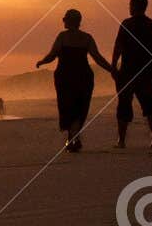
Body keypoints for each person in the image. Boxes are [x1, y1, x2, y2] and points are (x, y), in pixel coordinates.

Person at [35, 9, 114, 152]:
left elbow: (53, 55)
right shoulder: (87, 38)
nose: (63, 21)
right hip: (84, 76)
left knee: (67, 107)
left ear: (70, 21)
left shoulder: (63, 37)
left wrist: (42, 61)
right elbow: (97, 57)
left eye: (65, 18)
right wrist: (112, 70)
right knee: (80, 107)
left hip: (65, 77)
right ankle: (74, 138)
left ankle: (72, 138)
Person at [111, 0, 152, 149]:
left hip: (128, 71)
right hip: (147, 71)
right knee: (151, 104)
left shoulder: (127, 24)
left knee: (124, 104)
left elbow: (118, 46)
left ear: (134, 6)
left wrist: (113, 65)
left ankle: (121, 140)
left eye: (130, 5)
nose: (129, 7)